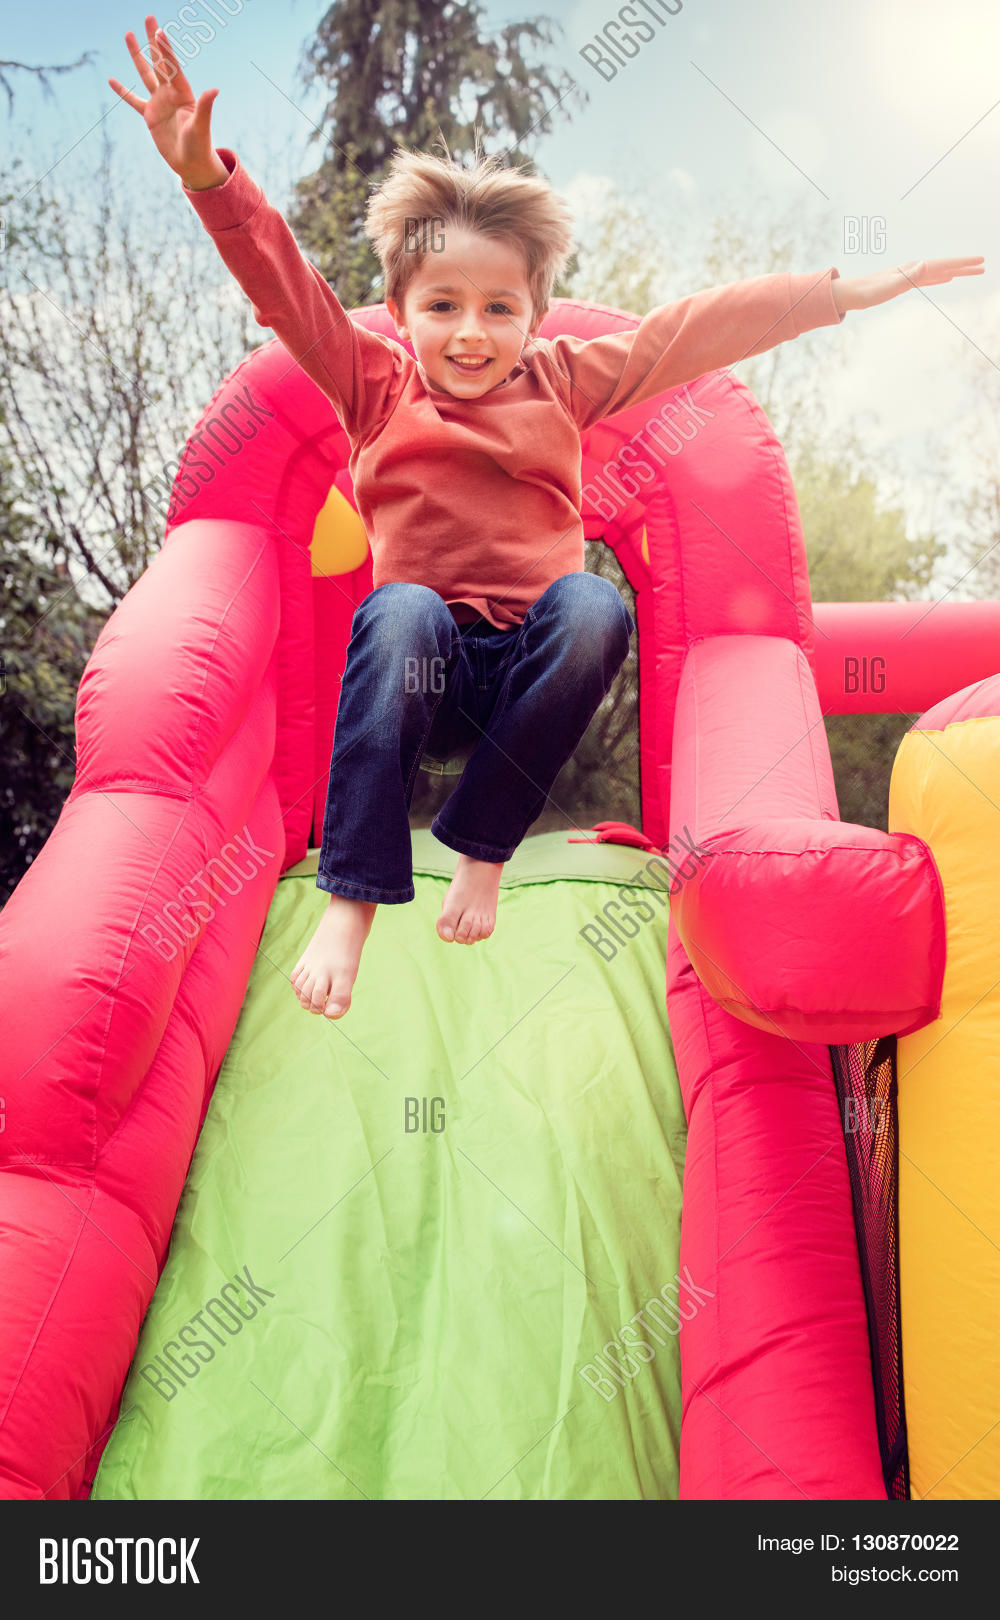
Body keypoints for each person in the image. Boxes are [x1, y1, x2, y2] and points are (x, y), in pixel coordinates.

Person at [111, 15, 984, 1021]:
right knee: (399, 611)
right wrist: (207, 178)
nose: (471, 332)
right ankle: (351, 900)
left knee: (592, 606)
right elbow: (285, 288)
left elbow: (691, 330)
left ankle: (481, 847)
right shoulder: (373, 383)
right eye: (443, 305)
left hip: (531, 674)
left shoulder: (564, 380)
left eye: (499, 307)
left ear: (533, 314)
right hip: (423, 675)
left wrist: (840, 293)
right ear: (400, 310)